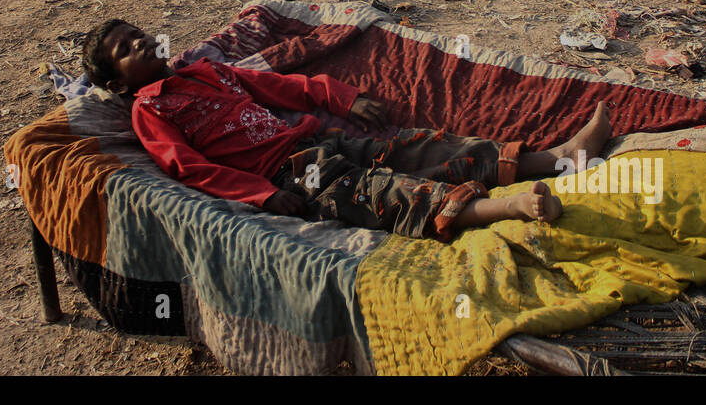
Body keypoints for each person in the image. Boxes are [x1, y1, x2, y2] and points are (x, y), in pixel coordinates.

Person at [82, 20, 616, 240]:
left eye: (136, 35)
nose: (138, 45)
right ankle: (509, 207)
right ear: (118, 81)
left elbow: (281, 87)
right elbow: (187, 167)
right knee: (383, 195)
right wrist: (263, 195)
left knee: (423, 147)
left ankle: (560, 158)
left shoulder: (209, 71)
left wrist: (346, 96)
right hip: (291, 176)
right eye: (124, 52)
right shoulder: (149, 109)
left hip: (316, 142)